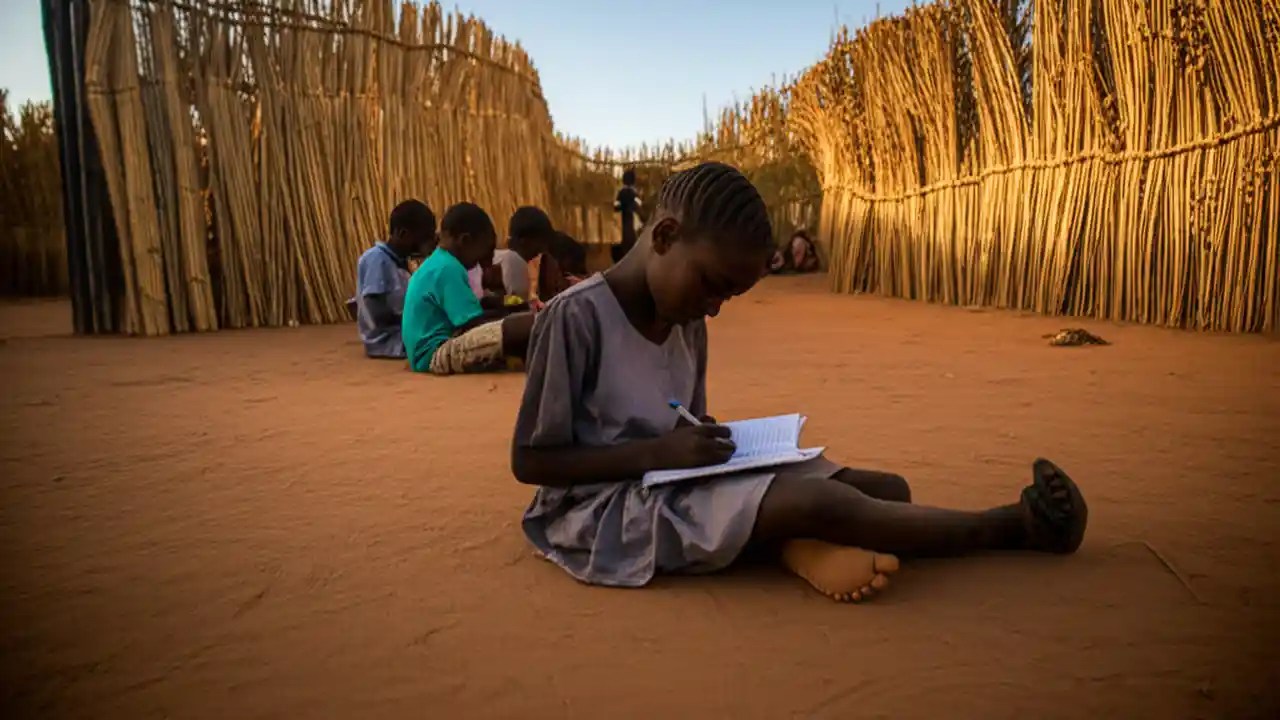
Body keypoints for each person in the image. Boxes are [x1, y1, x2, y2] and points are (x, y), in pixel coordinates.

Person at [512, 162, 1088, 602]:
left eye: (728, 298)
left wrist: (701, 441)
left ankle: (792, 541)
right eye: (711, 286)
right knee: (817, 499)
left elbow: (681, 422)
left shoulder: (687, 320)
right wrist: (658, 452)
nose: (713, 309)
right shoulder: (577, 317)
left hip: (666, 481)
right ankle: (1012, 526)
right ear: (664, 236)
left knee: (887, 488)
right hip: (601, 510)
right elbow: (533, 463)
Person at [401, 202, 536, 375]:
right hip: (436, 354)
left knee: (517, 324)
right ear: (465, 240)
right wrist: (509, 315)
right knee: (526, 325)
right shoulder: (448, 268)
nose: (485, 260)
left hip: (430, 352)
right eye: (485, 250)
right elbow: (471, 323)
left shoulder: (439, 263)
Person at [351, 199, 436, 359]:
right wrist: (415, 317)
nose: (425, 245)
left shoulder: (399, 262)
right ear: (403, 234)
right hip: (389, 341)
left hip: (401, 335)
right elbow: (375, 308)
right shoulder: (376, 258)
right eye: (423, 239)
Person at [494, 206, 557, 304]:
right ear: (523, 241)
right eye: (542, 241)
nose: (544, 249)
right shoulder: (513, 259)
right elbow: (519, 301)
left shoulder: (503, 257)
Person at [611, 168, 641, 264]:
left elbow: (616, 207)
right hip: (632, 219)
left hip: (623, 220)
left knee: (625, 240)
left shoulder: (621, 192)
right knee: (632, 239)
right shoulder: (634, 192)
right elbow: (639, 205)